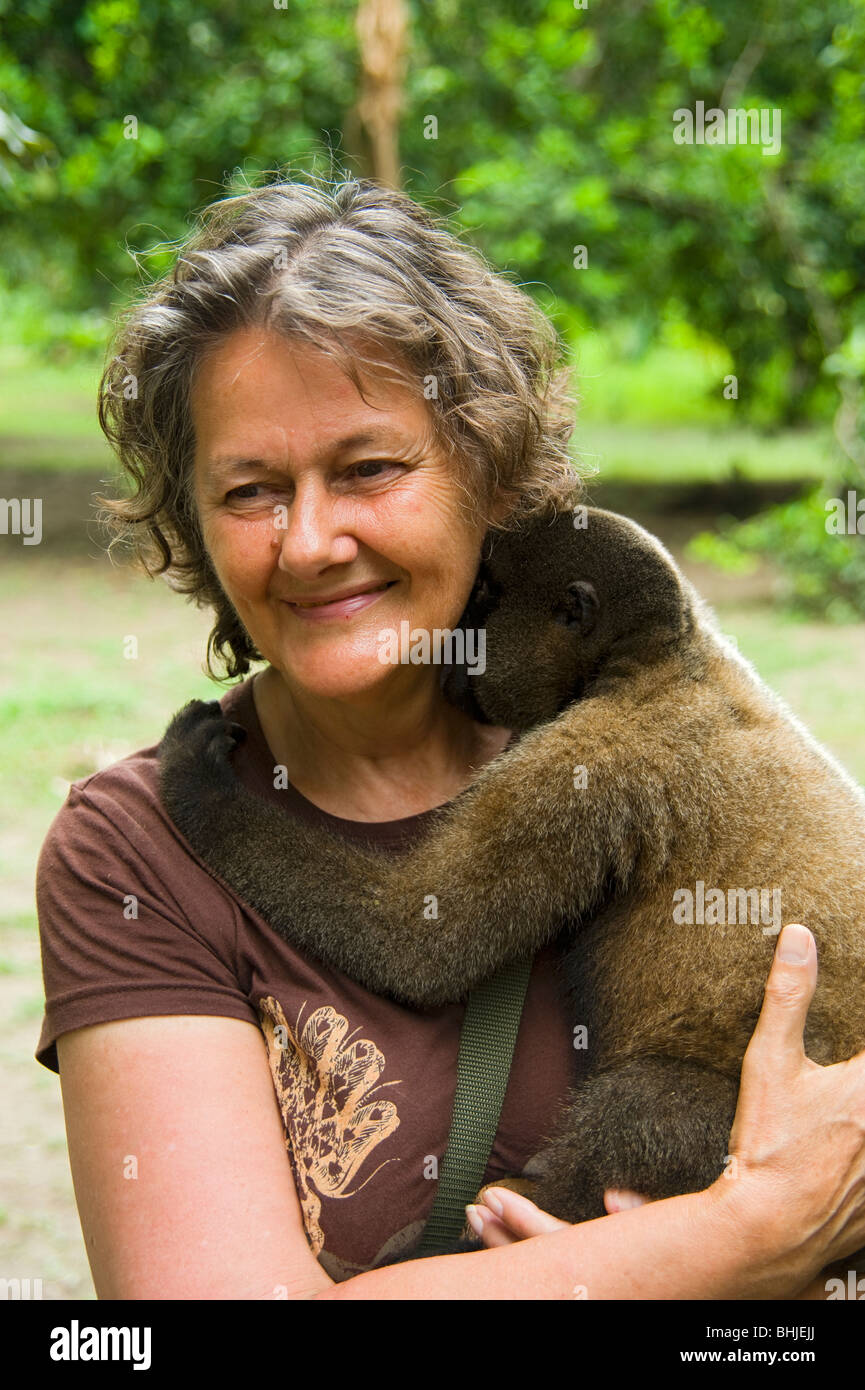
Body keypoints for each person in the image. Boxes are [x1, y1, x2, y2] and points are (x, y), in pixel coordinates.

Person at [35, 175, 865, 1299]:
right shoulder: (124, 859)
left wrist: (208, 788)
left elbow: (418, 938)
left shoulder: (622, 753)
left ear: (489, 475)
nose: (312, 541)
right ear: (190, 521)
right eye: (251, 488)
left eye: (370, 468)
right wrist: (751, 1233)